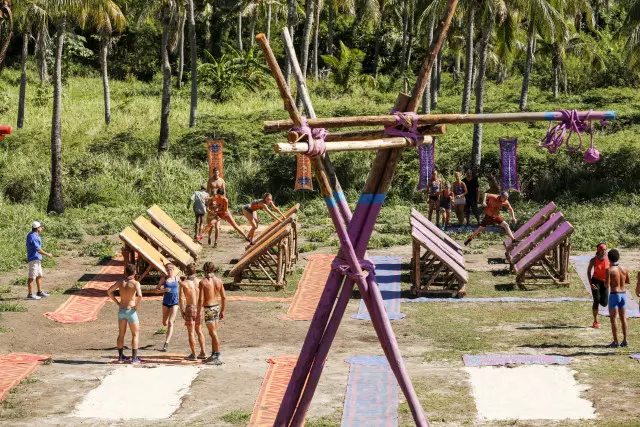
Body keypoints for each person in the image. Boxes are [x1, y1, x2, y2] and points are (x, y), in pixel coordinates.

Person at [107, 263, 143, 364]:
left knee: (121, 334)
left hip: (122, 310)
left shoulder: (120, 282)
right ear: (134, 272)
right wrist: (136, 306)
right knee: (135, 334)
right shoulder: (135, 283)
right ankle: (134, 358)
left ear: (126, 272)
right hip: (131, 311)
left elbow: (109, 291)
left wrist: (117, 302)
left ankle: (120, 357)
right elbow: (140, 295)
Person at [198, 262, 226, 365]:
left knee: (213, 333)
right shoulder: (219, 281)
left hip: (209, 308)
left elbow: (201, 299)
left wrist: (198, 313)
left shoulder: (203, 282)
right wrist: (222, 310)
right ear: (214, 269)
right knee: (212, 332)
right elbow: (224, 297)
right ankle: (214, 354)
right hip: (216, 307)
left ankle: (217, 355)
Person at [179, 263, 206, 360]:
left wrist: (182, 310)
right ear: (195, 271)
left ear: (186, 271)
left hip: (190, 307)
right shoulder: (200, 282)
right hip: (199, 307)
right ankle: (203, 352)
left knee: (191, 332)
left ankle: (194, 354)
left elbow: (181, 299)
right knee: (199, 330)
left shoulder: (183, 283)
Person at [605, 249, 629, 348]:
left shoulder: (609, 269)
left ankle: (615, 342)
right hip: (623, 294)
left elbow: (607, 285)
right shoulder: (624, 268)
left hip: (614, 295)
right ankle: (625, 340)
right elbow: (627, 281)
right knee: (623, 318)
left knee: (613, 319)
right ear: (618, 257)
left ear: (608, 258)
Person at [26, 221, 53, 300]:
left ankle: (39, 292)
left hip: (37, 259)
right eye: (41, 227)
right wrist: (48, 254)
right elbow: (38, 249)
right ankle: (30, 294)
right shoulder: (33, 236)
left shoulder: (35, 235)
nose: (42, 228)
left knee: (39, 275)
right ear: (37, 228)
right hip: (33, 259)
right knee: (32, 276)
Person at [156, 263, 180, 352]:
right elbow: (156, 290)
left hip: (175, 302)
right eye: (167, 269)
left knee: (170, 322)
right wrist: (163, 290)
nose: (169, 271)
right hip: (166, 303)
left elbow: (183, 287)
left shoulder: (177, 278)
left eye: (171, 269)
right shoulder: (164, 279)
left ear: (173, 269)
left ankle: (166, 343)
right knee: (164, 323)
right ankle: (170, 320)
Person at [587, 243, 609, 329]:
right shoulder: (593, 260)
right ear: (598, 250)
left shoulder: (608, 259)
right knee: (596, 300)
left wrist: (608, 282)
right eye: (602, 249)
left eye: (605, 249)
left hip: (604, 282)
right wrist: (591, 283)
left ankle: (599, 297)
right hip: (595, 281)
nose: (604, 251)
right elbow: (588, 271)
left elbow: (611, 271)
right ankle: (595, 321)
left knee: (604, 303)